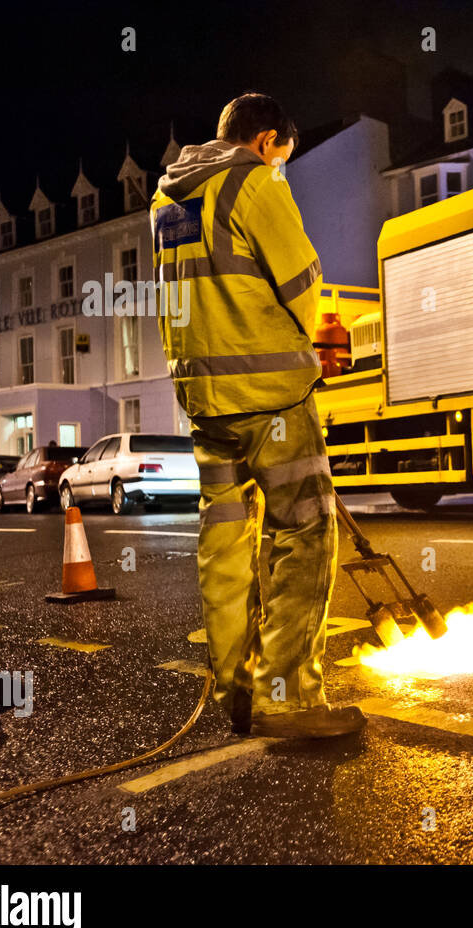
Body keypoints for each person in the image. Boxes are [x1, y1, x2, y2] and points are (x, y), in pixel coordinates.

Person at [150, 92, 362, 739]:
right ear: (268, 141)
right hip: (270, 395)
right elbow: (301, 280)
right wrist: (310, 350)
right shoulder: (254, 180)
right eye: (285, 158)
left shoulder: (168, 201)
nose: (284, 168)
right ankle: (288, 695)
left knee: (226, 539)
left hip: (204, 400)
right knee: (304, 532)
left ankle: (234, 683)